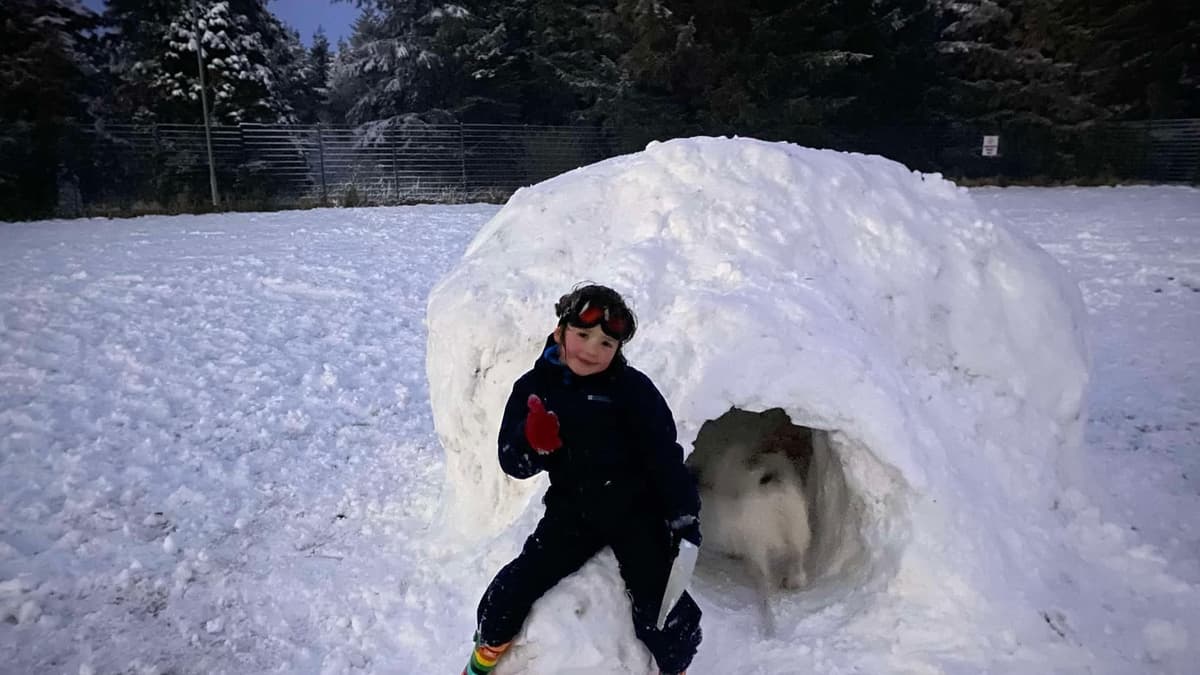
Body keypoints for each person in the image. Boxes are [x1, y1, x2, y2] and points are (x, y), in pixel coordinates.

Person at [462, 284, 703, 675]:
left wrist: (683, 514)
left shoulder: (634, 391)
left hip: (635, 512)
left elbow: (664, 456)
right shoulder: (535, 389)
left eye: (607, 343)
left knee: (662, 605)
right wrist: (533, 441)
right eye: (583, 335)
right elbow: (512, 462)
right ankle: (484, 657)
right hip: (573, 512)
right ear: (560, 332)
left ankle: (674, 667)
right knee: (512, 590)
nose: (593, 349)